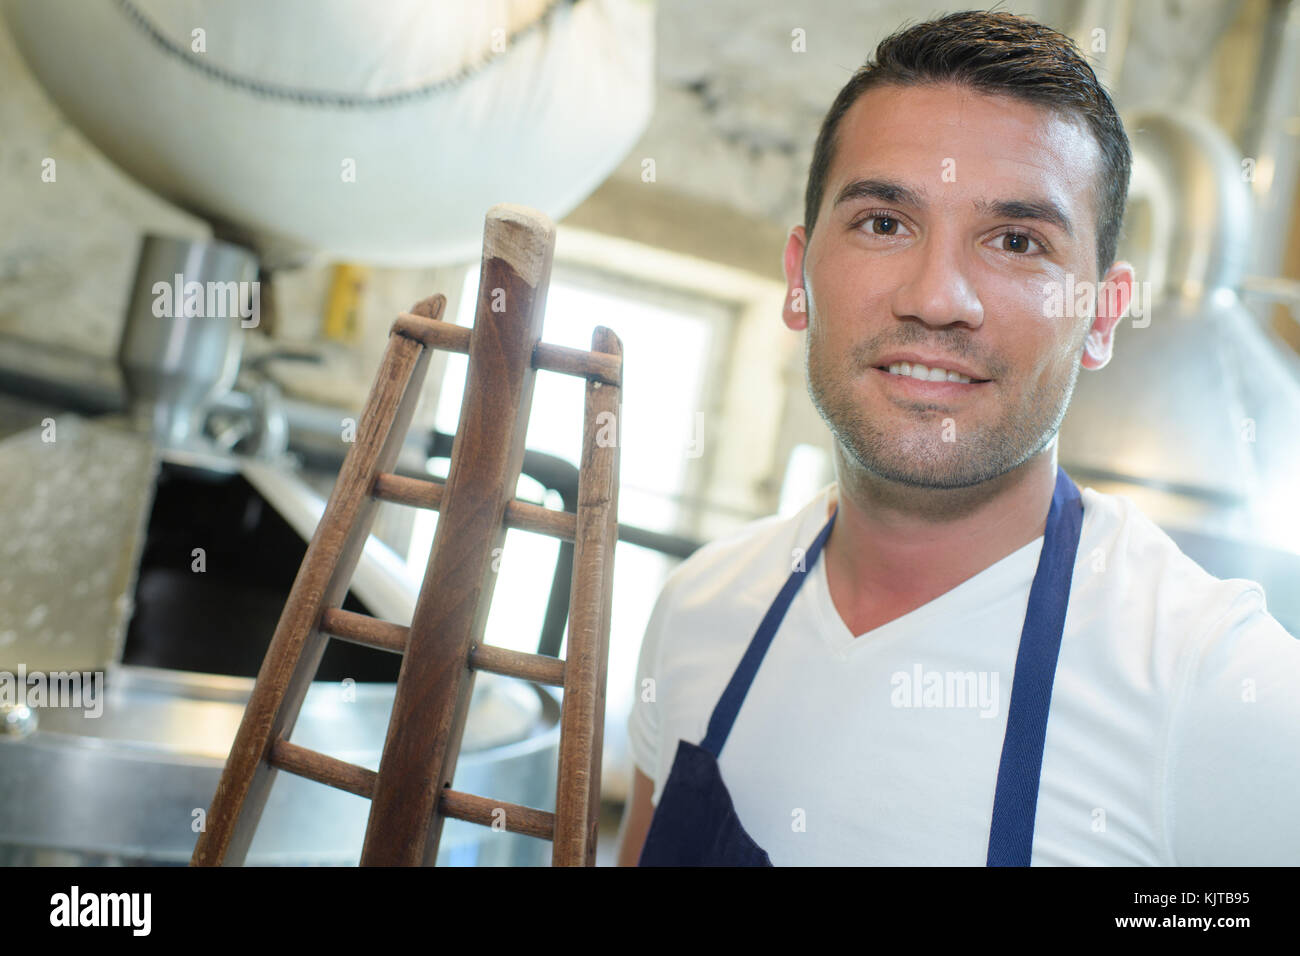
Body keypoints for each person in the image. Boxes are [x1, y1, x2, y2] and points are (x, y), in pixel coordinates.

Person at [616, 9, 1300, 866]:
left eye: (1017, 242)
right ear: (799, 278)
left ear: (1101, 315)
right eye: (884, 223)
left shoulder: (1219, 692)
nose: (937, 297)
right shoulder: (699, 612)